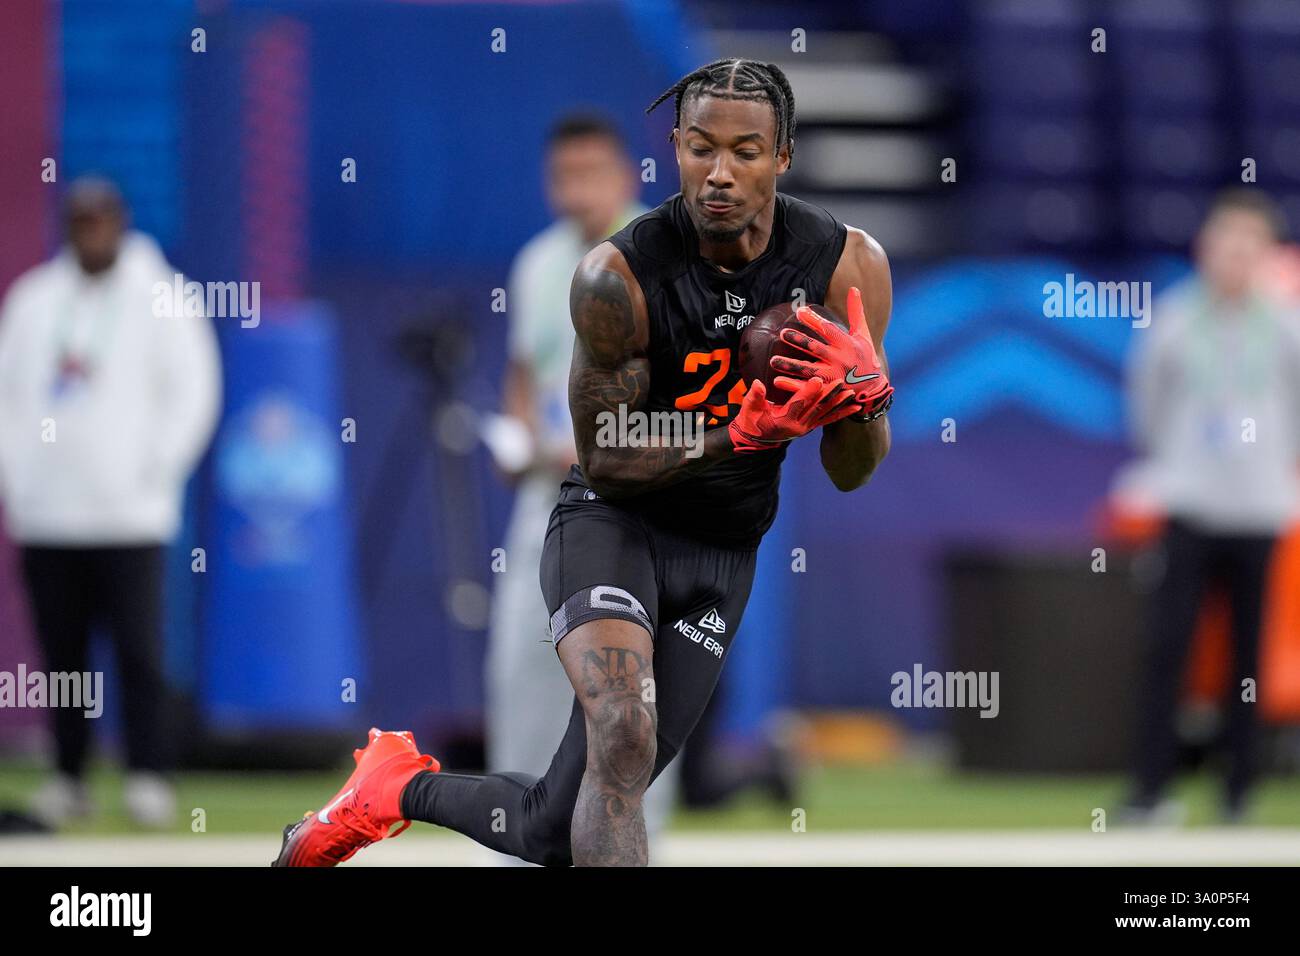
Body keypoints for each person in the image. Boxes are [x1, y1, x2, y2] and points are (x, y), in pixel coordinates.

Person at [276, 58, 895, 867]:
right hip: (613, 523)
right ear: (674, 147)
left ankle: (391, 789)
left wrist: (867, 402)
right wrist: (734, 437)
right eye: (700, 147)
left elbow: (853, 469)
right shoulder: (620, 274)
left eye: (746, 151)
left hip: (722, 549)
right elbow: (603, 458)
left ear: (783, 157)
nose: (719, 172)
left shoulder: (847, 265)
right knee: (623, 726)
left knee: (550, 824)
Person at [482, 113, 678, 859]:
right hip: (549, 500)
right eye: (564, 175)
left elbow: (675, 390)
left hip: (639, 504)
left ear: (626, 175)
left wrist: (597, 442)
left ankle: (635, 842)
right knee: (523, 667)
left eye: (592, 173)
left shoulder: (658, 255)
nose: (578, 189)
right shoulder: (535, 265)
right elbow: (524, 376)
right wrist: (518, 435)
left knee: (631, 683)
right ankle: (522, 834)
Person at [0, 177, 222, 827]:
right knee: (62, 654)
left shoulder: (163, 297)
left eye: (101, 220)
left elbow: (194, 389)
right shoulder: (36, 300)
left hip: (130, 515)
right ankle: (69, 776)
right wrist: (17, 476)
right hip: (47, 514)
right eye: (80, 220)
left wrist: (157, 470)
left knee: (138, 649)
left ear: (120, 222)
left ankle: (148, 772)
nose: (91, 231)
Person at [1114, 189, 1300, 824]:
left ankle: (1238, 792)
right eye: (1226, 243)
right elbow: (1148, 407)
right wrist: (1178, 467)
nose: (1236, 257)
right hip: (1190, 506)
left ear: (1266, 255)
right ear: (1207, 249)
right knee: (1168, 650)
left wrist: (1273, 469)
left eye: (1250, 246)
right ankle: (1148, 791)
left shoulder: (1284, 326)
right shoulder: (1173, 319)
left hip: (1259, 512)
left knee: (1249, 658)